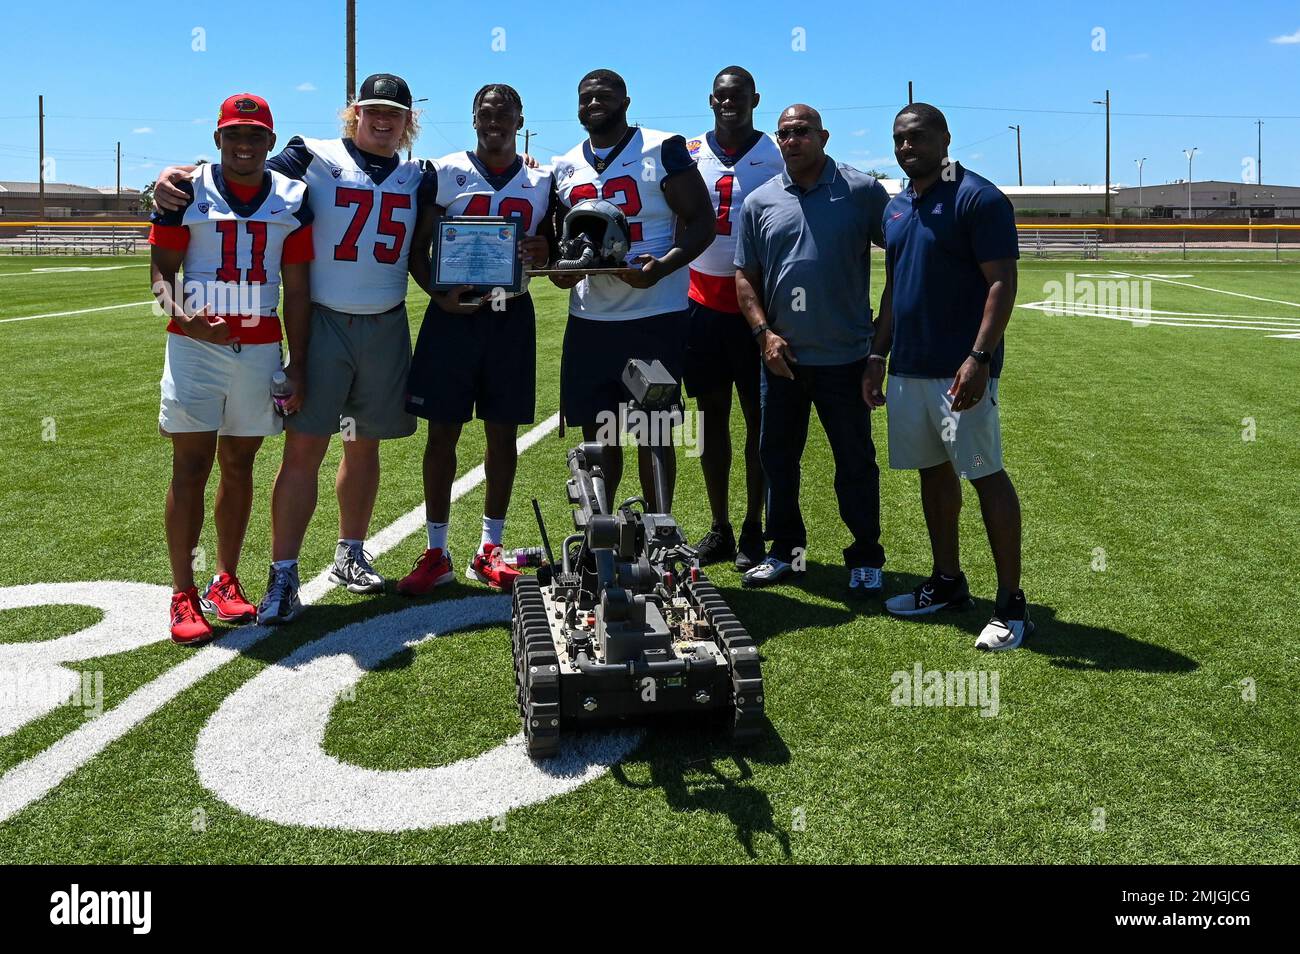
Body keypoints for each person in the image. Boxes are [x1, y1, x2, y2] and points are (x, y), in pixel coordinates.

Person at [153, 73, 438, 624]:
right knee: (295, 451)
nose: (383, 120)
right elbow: (240, 169)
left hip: (381, 321)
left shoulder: (420, 175)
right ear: (352, 113)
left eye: (395, 113)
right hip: (319, 322)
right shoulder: (309, 156)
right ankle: (278, 576)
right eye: (372, 109)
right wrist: (172, 175)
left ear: (410, 122)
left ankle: (347, 554)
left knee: (361, 445)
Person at [148, 93, 312, 644]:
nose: (244, 145)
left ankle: (225, 579)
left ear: (270, 140)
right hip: (195, 348)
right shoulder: (185, 192)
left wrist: (300, 362)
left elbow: (297, 288)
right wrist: (190, 322)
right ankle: (182, 591)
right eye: (234, 135)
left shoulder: (292, 196)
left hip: (261, 344)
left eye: (255, 136)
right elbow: (160, 279)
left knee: (239, 463)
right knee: (190, 466)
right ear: (217, 139)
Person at [867, 103, 1029, 650]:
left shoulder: (978, 198)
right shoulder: (896, 208)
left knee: (984, 472)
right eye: (898, 139)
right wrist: (876, 355)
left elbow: (1002, 284)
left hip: (961, 371)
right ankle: (947, 582)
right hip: (909, 366)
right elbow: (893, 289)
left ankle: (1011, 604)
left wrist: (979, 358)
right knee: (932, 474)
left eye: (917, 137)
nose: (906, 147)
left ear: (944, 139)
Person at [397, 84, 557, 596]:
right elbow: (418, 250)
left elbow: (551, 249)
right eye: (485, 113)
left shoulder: (541, 179)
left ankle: (490, 548)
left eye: (504, 113)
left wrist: (543, 247)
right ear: (473, 118)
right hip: (452, 316)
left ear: (519, 117)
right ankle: (437, 551)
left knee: (502, 434)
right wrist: (436, 295)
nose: (495, 121)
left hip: (510, 314)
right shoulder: (443, 172)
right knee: (440, 434)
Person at [734, 105, 889, 595]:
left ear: (823, 136)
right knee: (777, 459)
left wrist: (879, 347)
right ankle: (785, 552)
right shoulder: (759, 201)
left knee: (855, 462)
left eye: (801, 132)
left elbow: (903, 258)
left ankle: (866, 555)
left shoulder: (861, 191)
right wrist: (764, 335)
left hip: (845, 358)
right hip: (783, 360)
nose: (792, 140)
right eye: (784, 134)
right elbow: (745, 277)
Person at [550, 69, 715, 512]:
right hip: (590, 319)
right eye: (585, 98)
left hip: (653, 315)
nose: (592, 104)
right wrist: (558, 271)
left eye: (603, 96)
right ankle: (600, 540)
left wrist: (663, 267)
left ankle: (658, 535)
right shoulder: (564, 164)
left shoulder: (662, 148)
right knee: (598, 437)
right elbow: (557, 241)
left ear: (625, 101)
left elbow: (703, 221)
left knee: (653, 431)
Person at [682, 66, 783, 570]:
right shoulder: (688, 152)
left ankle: (753, 528)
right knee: (710, 419)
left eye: (738, 96)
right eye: (721, 96)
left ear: (754, 99)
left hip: (756, 306)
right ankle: (720, 525)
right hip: (700, 301)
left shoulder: (777, 153)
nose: (729, 103)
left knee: (759, 423)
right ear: (710, 99)